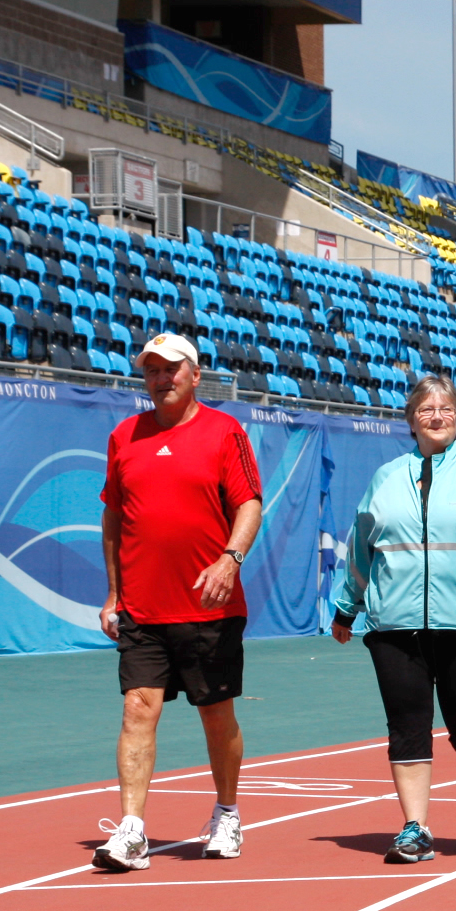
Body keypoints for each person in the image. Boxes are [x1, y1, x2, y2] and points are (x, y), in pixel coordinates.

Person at [330, 376, 456, 862]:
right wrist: (346, 605)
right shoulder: (386, 477)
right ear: (411, 420)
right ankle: (415, 827)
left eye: (445, 409)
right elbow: (361, 546)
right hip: (393, 624)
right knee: (407, 725)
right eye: (425, 409)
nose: (436, 416)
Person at [94, 333, 264, 872]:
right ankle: (132, 829)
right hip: (144, 609)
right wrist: (114, 595)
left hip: (210, 608)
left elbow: (250, 504)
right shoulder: (124, 436)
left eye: (170, 370)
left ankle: (228, 813)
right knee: (136, 710)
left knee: (216, 714)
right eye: (151, 371)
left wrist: (229, 560)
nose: (161, 379)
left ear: (194, 374)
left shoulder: (224, 431)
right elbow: (114, 520)